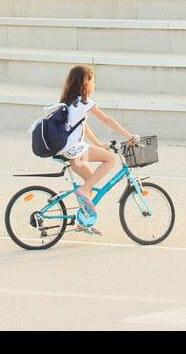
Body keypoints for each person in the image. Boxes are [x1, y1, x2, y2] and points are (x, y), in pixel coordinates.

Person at [54, 64, 138, 236]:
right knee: (111, 160)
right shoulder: (85, 102)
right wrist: (129, 135)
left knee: (89, 181)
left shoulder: (70, 101)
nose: (95, 84)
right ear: (85, 82)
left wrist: (98, 145)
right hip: (74, 150)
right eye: (93, 80)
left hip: (66, 150)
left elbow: (83, 126)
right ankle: (84, 191)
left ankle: (83, 222)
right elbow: (107, 120)